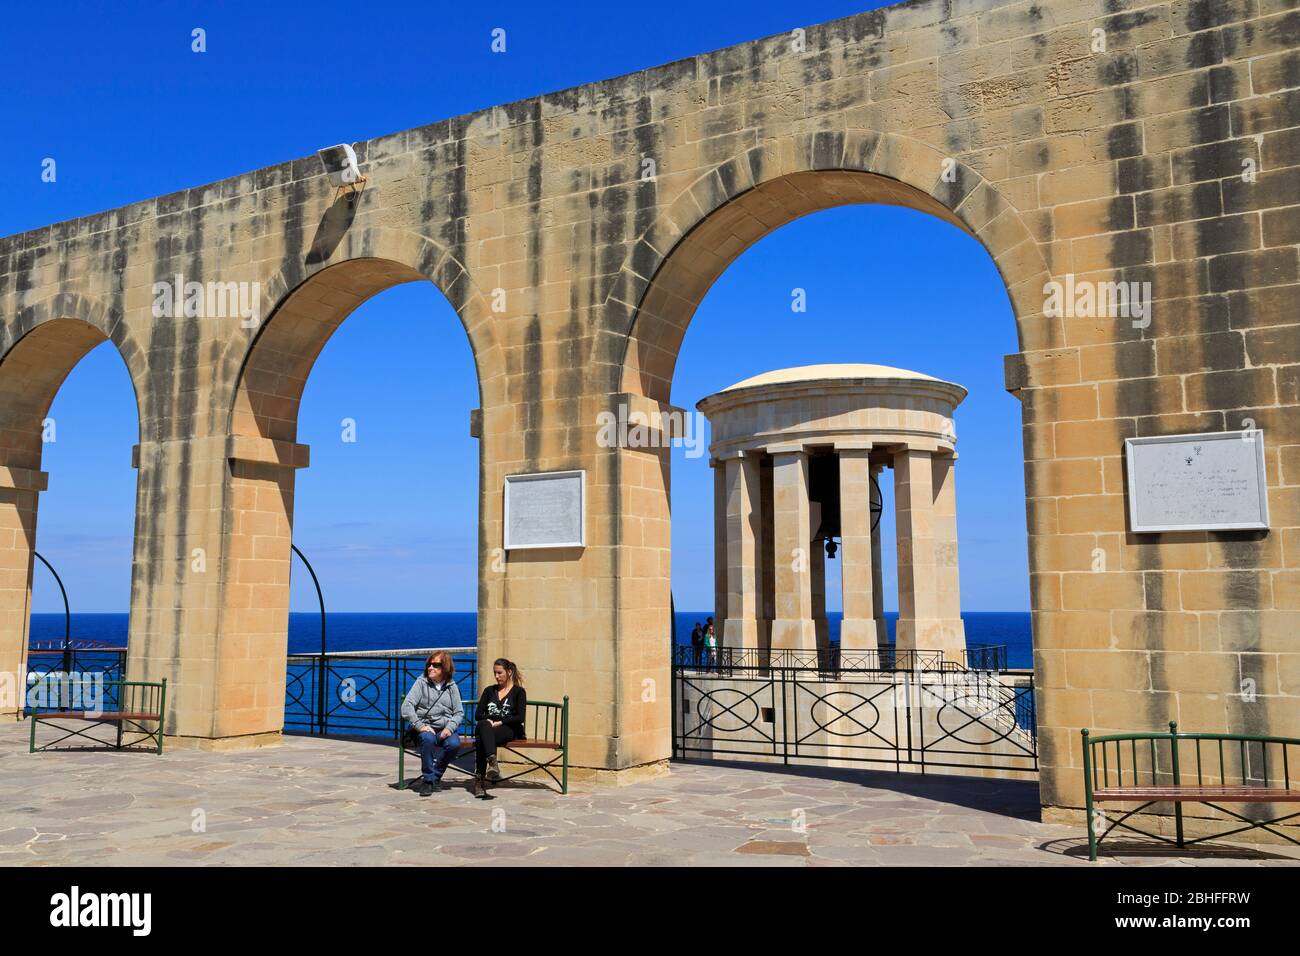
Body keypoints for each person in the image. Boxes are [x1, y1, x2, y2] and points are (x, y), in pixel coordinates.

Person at [400, 651, 464, 795]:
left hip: (445, 728)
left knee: (454, 745)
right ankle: (428, 781)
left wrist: (449, 728)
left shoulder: (452, 686)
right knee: (427, 739)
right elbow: (406, 707)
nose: (430, 667)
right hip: (425, 726)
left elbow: (459, 712)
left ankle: (435, 776)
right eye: (429, 664)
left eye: (435, 665)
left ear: (445, 668)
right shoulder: (421, 682)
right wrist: (420, 726)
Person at [472, 658, 527, 800]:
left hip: (508, 729)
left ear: (509, 672)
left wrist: (500, 722)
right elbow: (478, 714)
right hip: (488, 727)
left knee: (481, 739)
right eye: (494, 673)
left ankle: (479, 782)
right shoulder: (489, 691)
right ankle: (492, 762)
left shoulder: (519, 692)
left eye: (500, 673)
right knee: (484, 726)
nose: (496, 676)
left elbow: (520, 717)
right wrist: (489, 720)